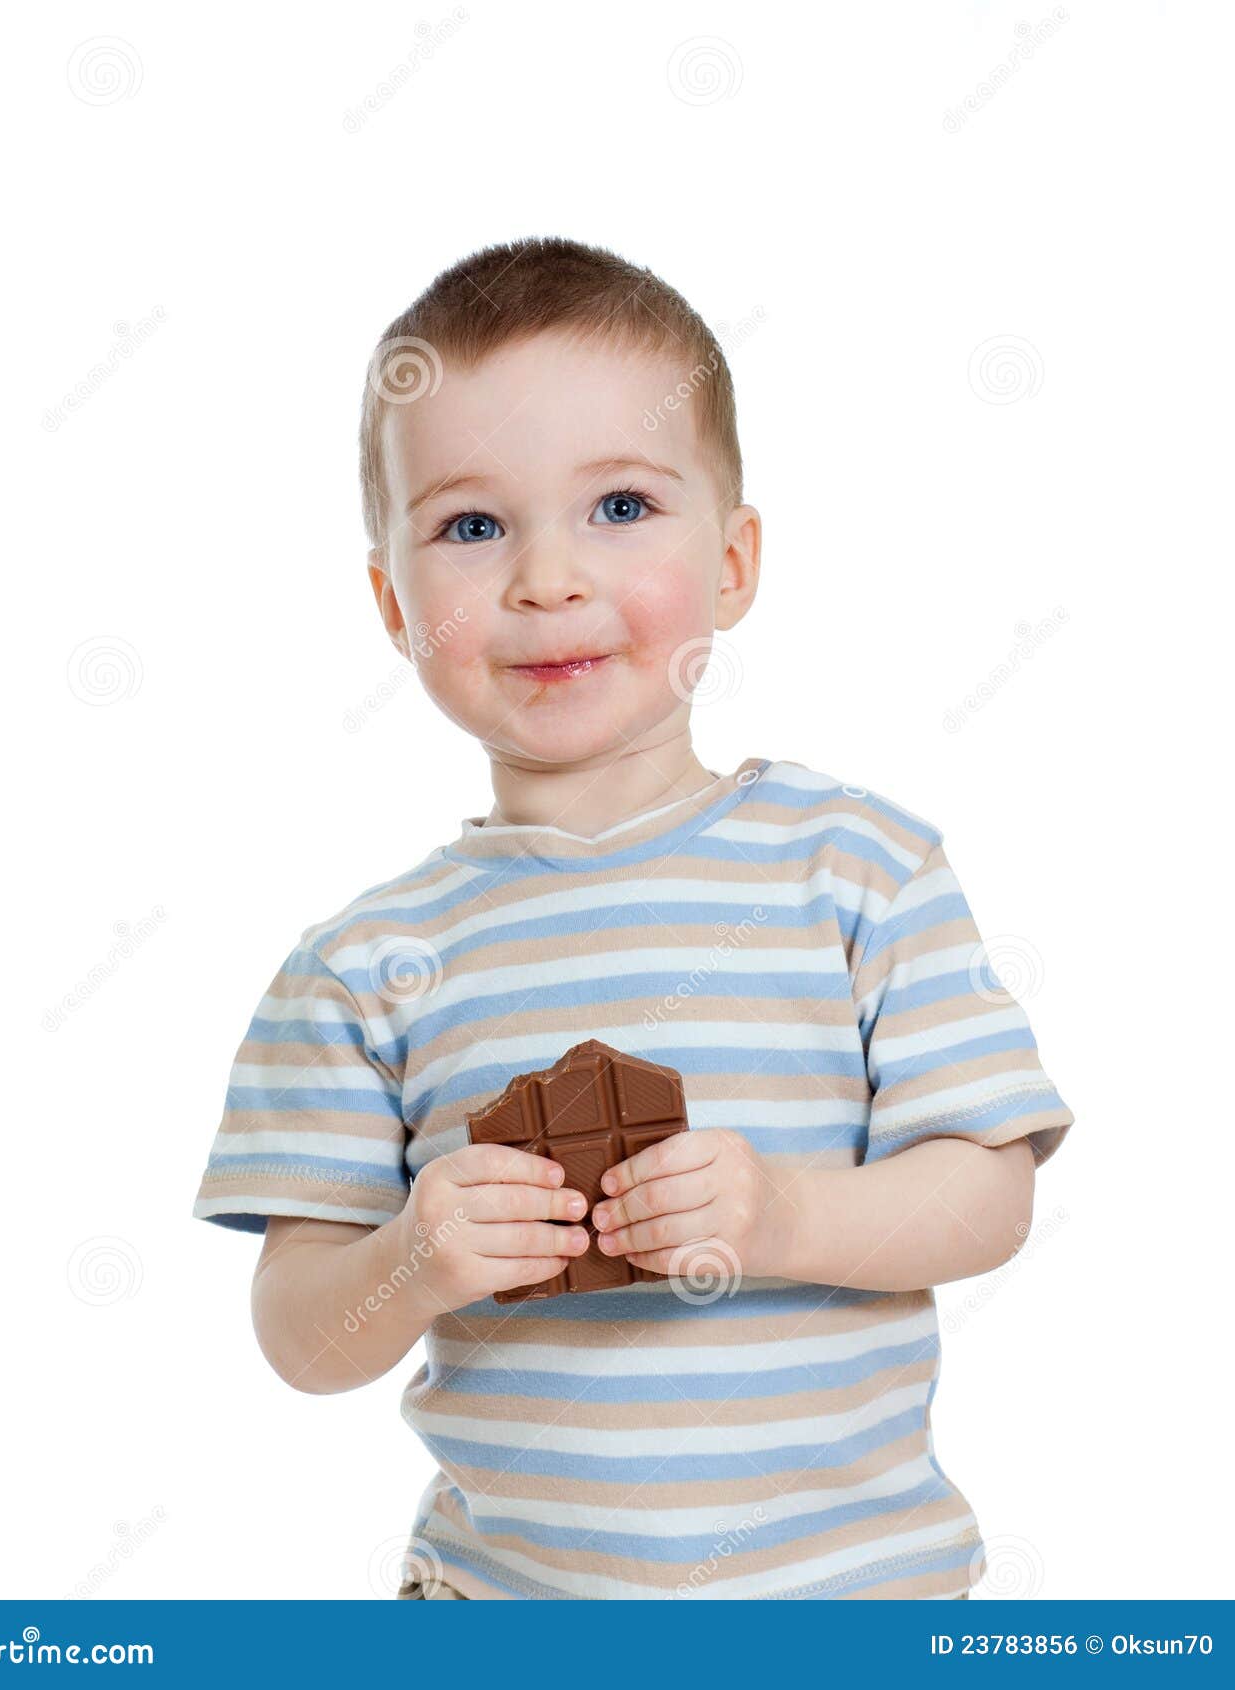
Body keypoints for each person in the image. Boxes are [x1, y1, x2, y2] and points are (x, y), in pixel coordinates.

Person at [191, 236, 1073, 1600]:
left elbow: (989, 1192)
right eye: (471, 527)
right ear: (392, 603)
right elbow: (302, 1334)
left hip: (853, 1610)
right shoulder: (362, 966)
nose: (548, 577)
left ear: (733, 560)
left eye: (619, 505)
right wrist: (414, 1258)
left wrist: (781, 1217)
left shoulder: (858, 870)